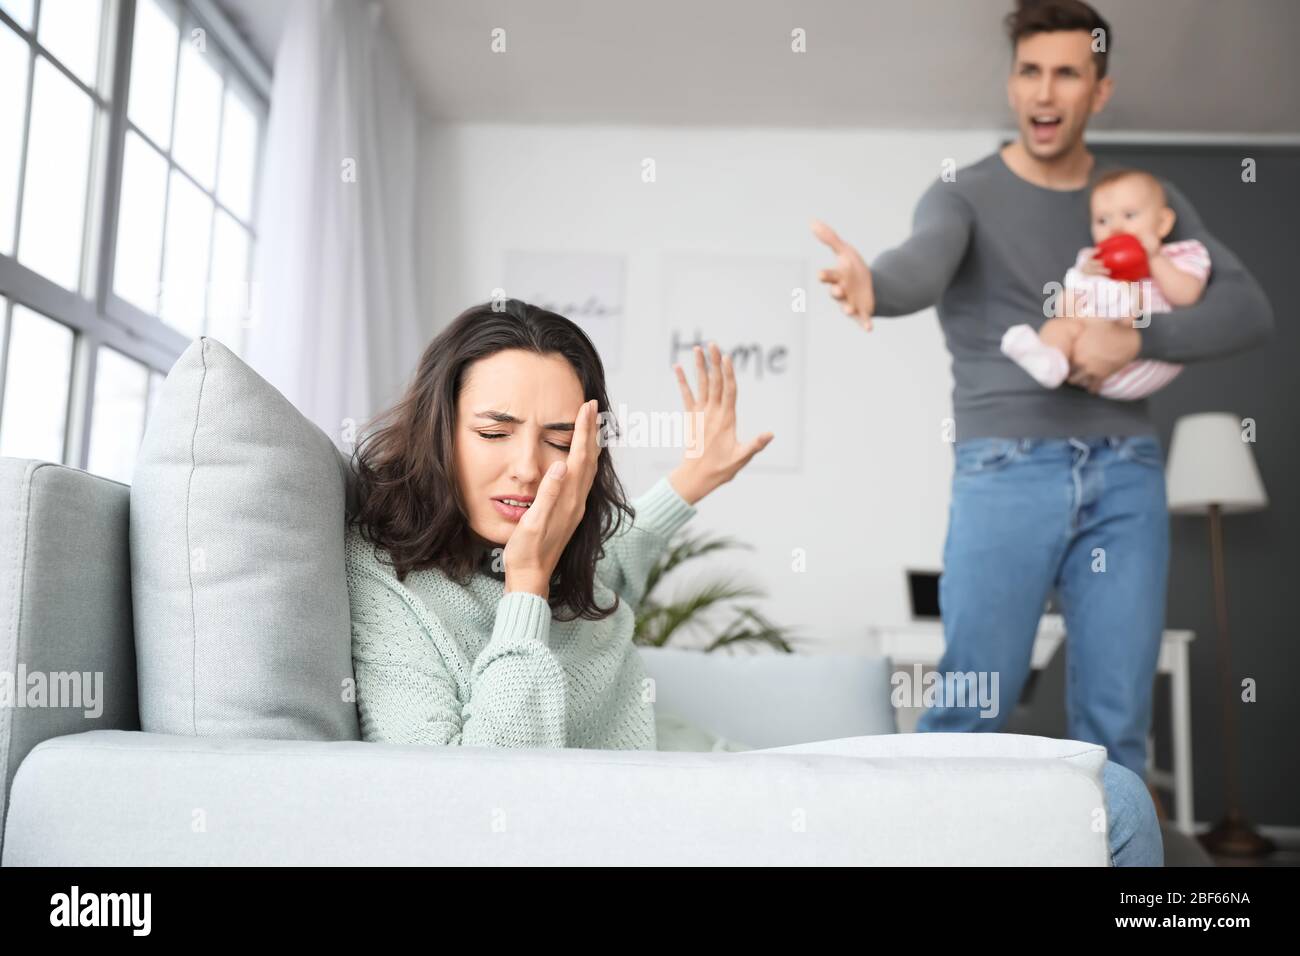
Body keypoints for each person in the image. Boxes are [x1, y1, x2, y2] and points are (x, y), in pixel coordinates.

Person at [812, 0, 1272, 789]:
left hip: (1125, 469)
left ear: (1100, 89)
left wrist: (1139, 339)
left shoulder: (1141, 197)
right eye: (1030, 71)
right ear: (1012, 81)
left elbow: (1245, 309)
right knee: (969, 706)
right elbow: (920, 263)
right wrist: (873, 285)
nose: (1045, 92)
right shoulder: (965, 192)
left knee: (1116, 727)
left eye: (1067, 72)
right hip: (1006, 469)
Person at [344, 298, 773, 750]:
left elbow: (609, 567)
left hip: (703, 761)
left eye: (560, 441)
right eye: (494, 434)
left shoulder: (558, 548)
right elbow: (473, 792)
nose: (528, 469)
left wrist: (693, 478)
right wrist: (527, 583)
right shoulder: (382, 575)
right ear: (437, 430)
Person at [1002, 166, 1211, 399]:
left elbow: (1187, 296)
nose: (1115, 228)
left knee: (1128, 301)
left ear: (1162, 222)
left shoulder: (1181, 254)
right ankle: (1049, 364)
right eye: (1102, 220)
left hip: (1144, 361)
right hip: (1088, 365)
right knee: (1057, 326)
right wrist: (1084, 277)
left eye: (1130, 215)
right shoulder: (1091, 261)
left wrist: (1155, 258)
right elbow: (1065, 310)